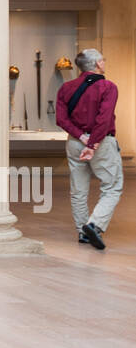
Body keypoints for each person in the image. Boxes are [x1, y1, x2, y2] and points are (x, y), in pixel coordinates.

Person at [55, 49, 123, 250]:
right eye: (103, 59)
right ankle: (94, 225)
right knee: (112, 186)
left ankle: (83, 233)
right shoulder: (108, 87)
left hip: (75, 142)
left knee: (78, 189)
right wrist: (92, 143)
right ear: (98, 64)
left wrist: (81, 135)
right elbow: (103, 119)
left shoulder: (66, 88)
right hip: (101, 143)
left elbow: (61, 119)